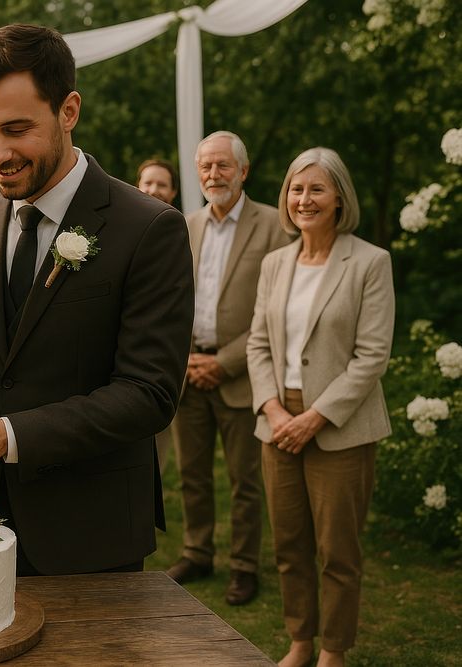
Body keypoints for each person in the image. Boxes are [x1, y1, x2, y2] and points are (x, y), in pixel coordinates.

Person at [0, 24, 194, 576]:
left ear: (68, 111)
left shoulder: (150, 228)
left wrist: (8, 436)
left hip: (92, 529)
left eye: (17, 129)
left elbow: (149, 393)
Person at [247, 147, 394, 667]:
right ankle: (300, 641)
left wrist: (313, 417)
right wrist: (272, 408)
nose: (303, 199)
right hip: (277, 422)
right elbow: (258, 344)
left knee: (337, 552)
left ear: (339, 198)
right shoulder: (274, 263)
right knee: (289, 545)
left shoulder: (370, 262)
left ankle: (333, 650)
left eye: (316, 189)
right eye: (295, 188)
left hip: (339, 427)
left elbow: (372, 356)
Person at [166, 130, 291, 606]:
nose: (213, 174)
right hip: (188, 368)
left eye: (223, 166)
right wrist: (188, 359)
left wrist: (225, 361)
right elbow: (171, 301)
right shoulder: (182, 224)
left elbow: (275, 307)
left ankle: (243, 565)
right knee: (193, 474)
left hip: (244, 370)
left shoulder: (275, 226)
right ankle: (197, 551)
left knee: (244, 478)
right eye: (206, 167)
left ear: (243, 171)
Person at [135, 157, 181, 473]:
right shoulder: (118, 229)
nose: (154, 189)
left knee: (155, 467)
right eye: (148, 183)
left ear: (173, 192)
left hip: (159, 368)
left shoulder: (176, 232)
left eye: (162, 184)